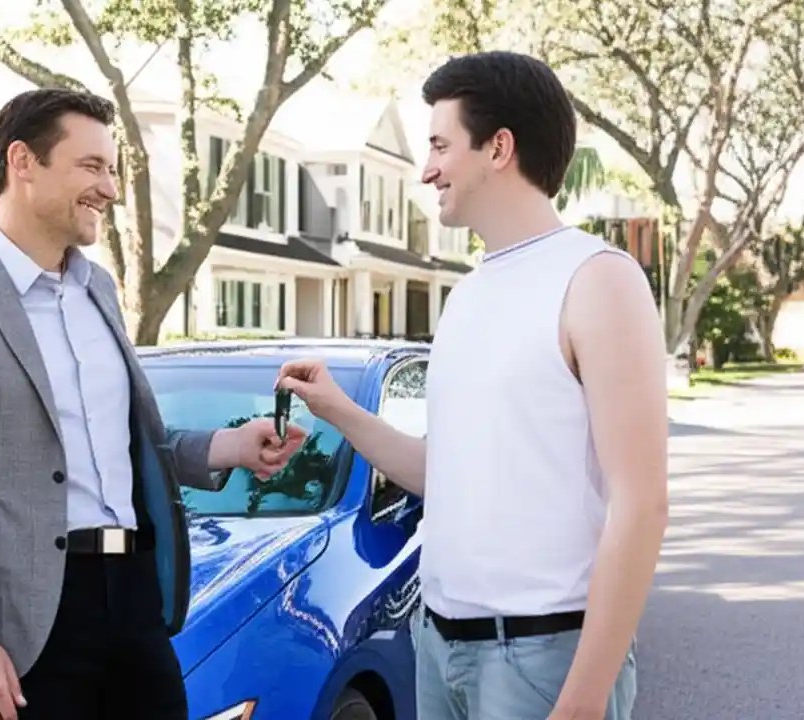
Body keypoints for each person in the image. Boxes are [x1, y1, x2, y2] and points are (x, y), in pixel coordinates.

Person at [0, 88, 306, 720]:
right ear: (23, 162)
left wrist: (229, 446)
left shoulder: (97, 288)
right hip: (8, 626)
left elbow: (126, 445)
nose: (111, 189)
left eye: (112, 170)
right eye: (92, 167)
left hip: (132, 603)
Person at [276, 51, 668, 720]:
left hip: (543, 659)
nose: (426, 169)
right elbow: (446, 473)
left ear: (500, 148)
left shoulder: (598, 279)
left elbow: (642, 504)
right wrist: (339, 409)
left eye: (439, 145)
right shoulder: (466, 298)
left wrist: (581, 700)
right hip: (441, 651)